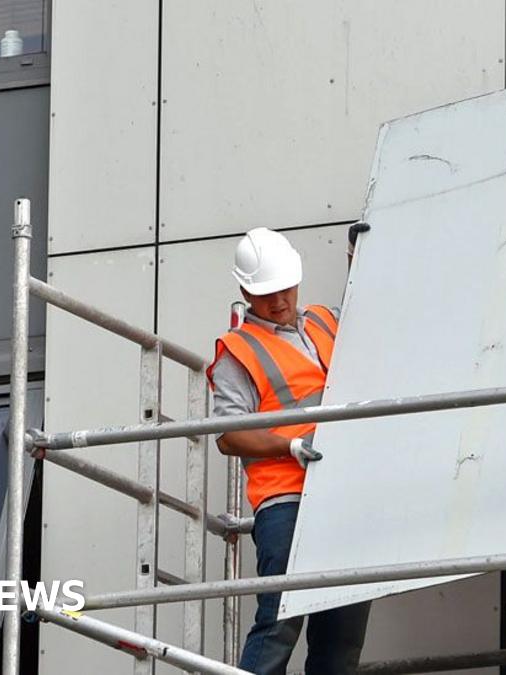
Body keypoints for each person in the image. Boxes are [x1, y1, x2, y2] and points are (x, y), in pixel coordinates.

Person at [207, 226, 371, 675]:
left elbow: (370, 316)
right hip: (287, 502)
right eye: (265, 295)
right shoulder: (238, 350)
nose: (278, 302)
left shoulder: (323, 322)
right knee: (279, 623)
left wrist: (358, 258)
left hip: (343, 495)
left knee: (342, 638)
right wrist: (290, 445)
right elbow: (227, 433)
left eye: (285, 290)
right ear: (245, 291)